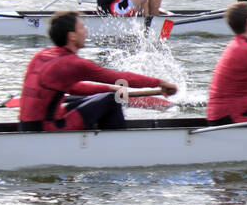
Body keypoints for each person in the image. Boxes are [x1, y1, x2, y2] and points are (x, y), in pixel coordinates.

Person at [19, 11, 177, 131]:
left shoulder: (40, 56)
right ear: (71, 36)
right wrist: (159, 82)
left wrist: (111, 89)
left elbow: (75, 88)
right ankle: (118, 148)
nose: (86, 31)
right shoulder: (72, 63)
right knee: (111, 100)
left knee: (106, 96)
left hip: (26, 125)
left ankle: (98, 139)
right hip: (48, 127)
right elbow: (119, 78)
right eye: (82, 28)